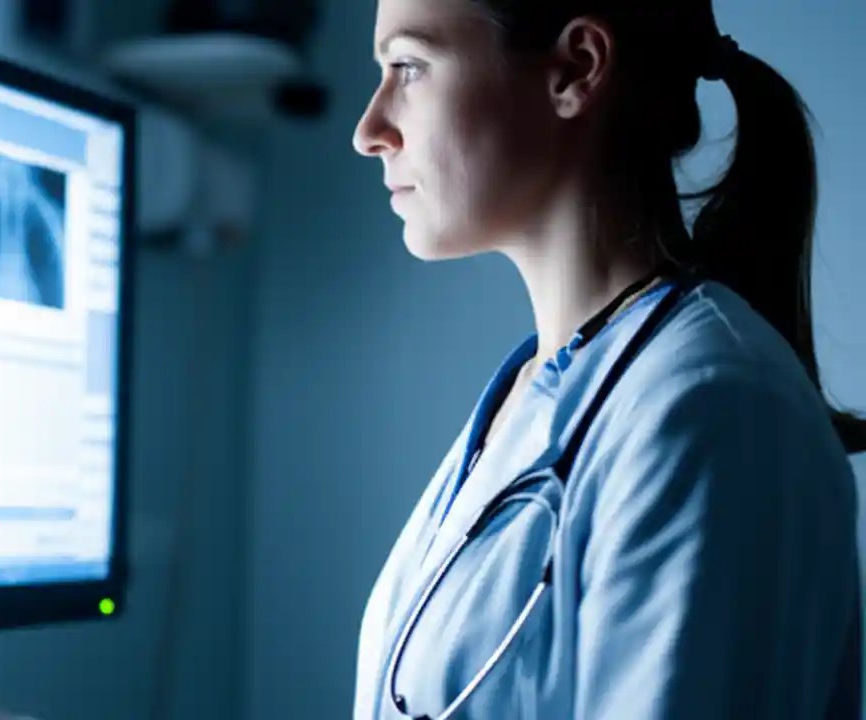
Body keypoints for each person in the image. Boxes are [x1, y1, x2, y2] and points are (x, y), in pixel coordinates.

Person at [350, 0, 866, 717]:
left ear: (576, 70)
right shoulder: (534, 399)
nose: (368, 131)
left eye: (408, 66)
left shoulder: (714, 408)